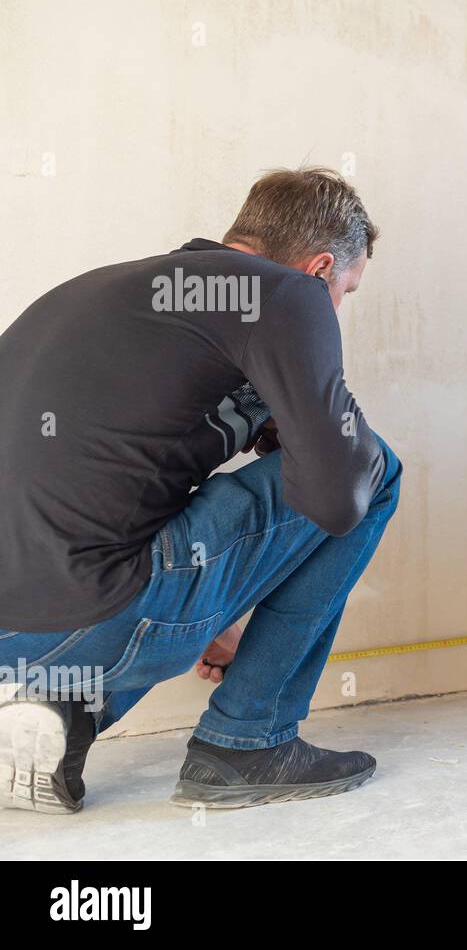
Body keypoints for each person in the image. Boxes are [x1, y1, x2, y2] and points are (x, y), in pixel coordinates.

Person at [0, 168, 401, 813]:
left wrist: (220, 604)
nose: (336, 310)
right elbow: (335, 496)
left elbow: (102, 483)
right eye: (345, 291)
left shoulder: (104, 291)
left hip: (20, 634)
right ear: (320, 267)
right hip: (93, 606)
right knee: (376, 467)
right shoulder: (288, 294)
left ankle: (52, 714)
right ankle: (248, 742)